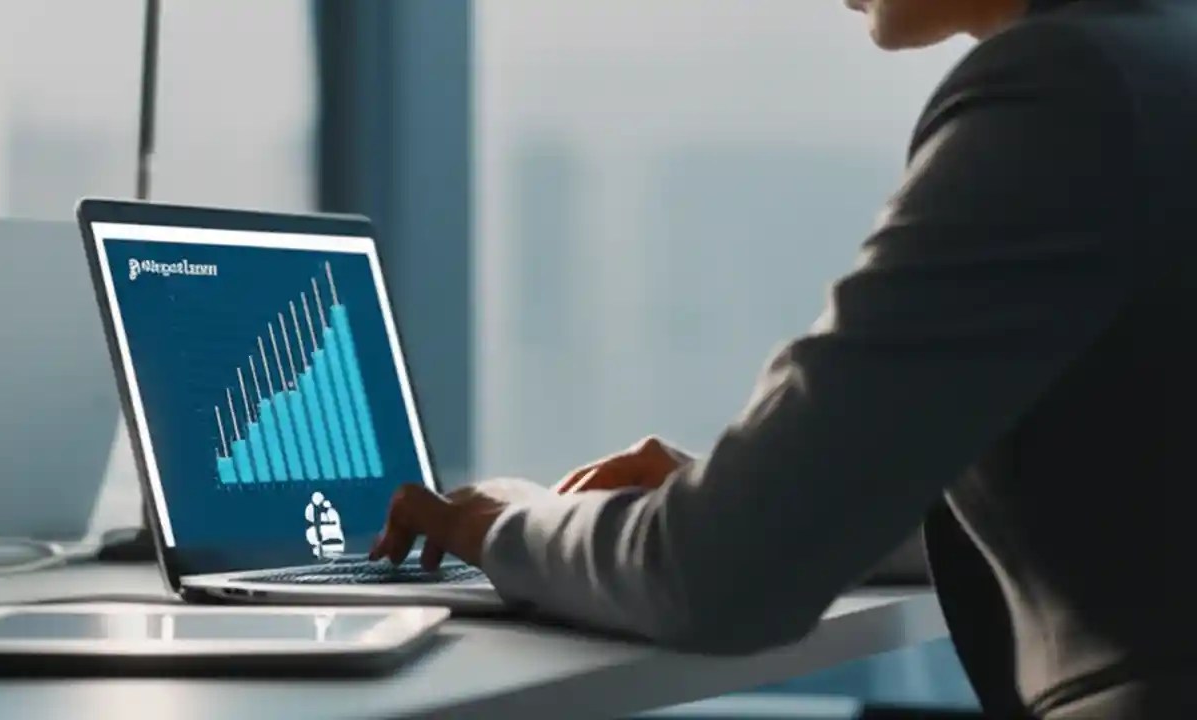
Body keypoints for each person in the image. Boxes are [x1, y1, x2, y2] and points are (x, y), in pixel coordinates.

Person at [371, 0, 1197, 716]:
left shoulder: (1065, 96)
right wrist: (784, 499)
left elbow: (719, 580)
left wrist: (504, 525)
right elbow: (1132, 506)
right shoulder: (1159, 54)